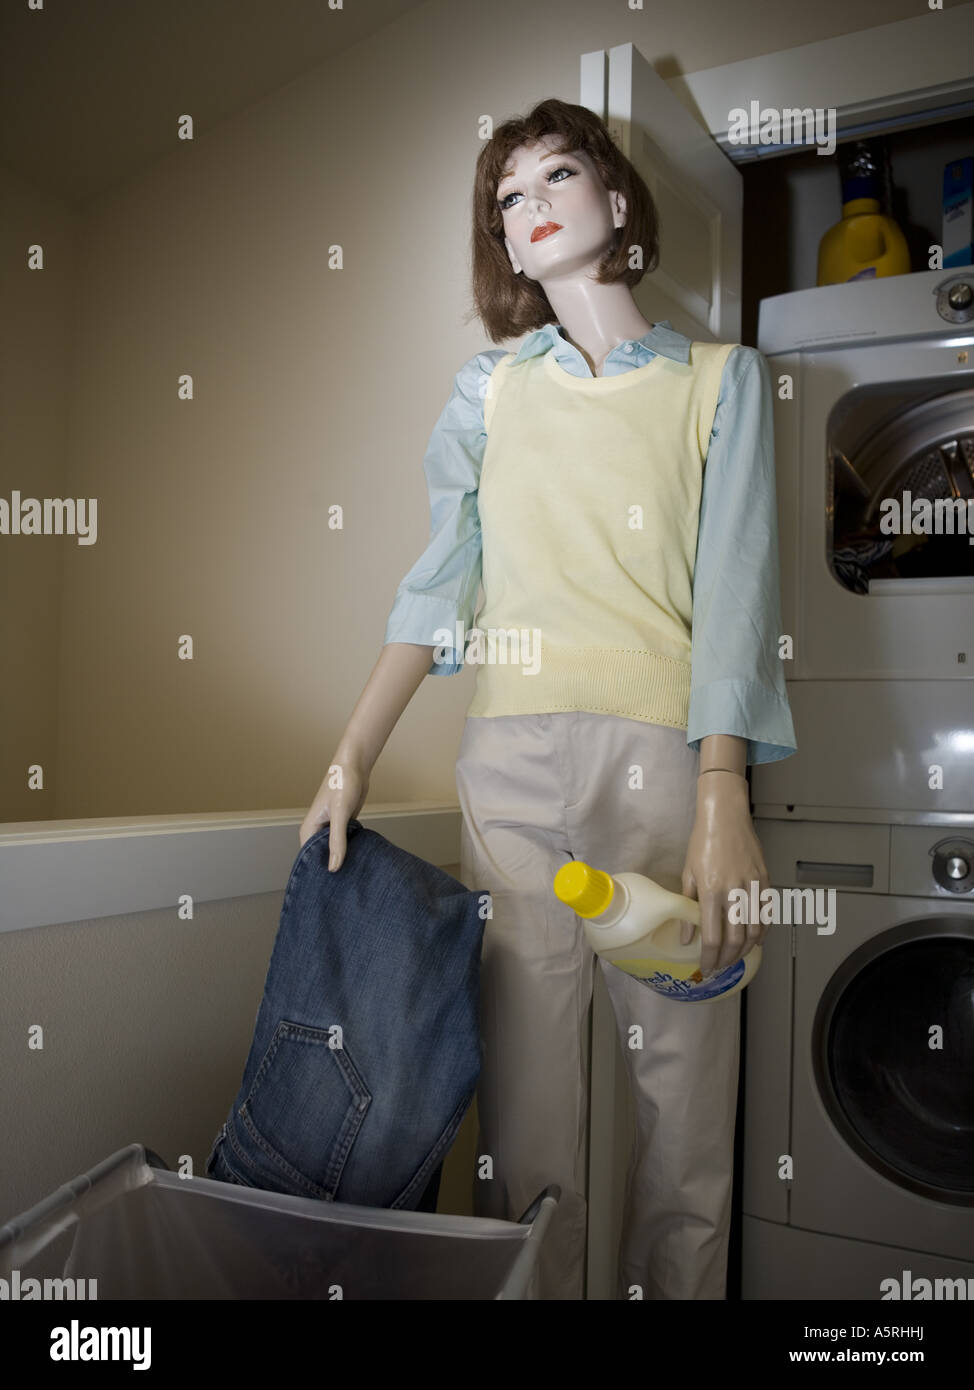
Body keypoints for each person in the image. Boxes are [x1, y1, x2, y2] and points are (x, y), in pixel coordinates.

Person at [300, 97, 797, 1300]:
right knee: (525, 1137)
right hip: (508, 774)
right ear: (507, 243)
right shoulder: (487, 395)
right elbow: (435, 587)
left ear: (615, 203)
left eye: (553, 175)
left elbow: (733, 595)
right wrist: (350, 755)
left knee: (684, 1126)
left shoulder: (721, 384)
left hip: (667, 771)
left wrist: (722, 795)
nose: (529, 205)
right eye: (506, 199)